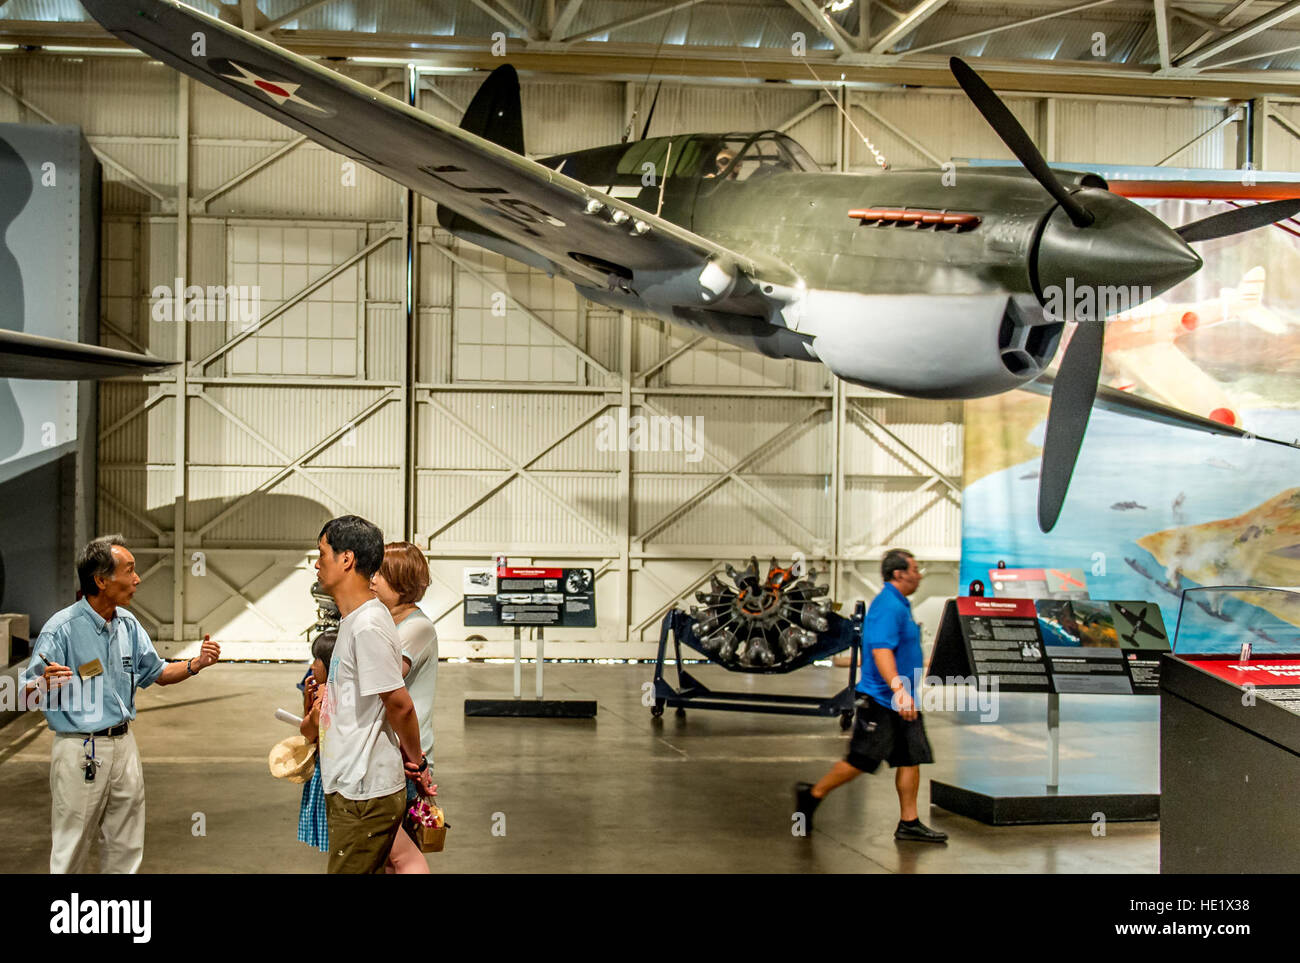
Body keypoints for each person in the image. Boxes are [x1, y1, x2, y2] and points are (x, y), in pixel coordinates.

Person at [19, 534, 221, 874]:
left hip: (124, 745)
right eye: (129, 571)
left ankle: (114, 916)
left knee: (127, 843)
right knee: (72, 846)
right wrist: (42, 684)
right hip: (80, 747)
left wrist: (195, 664)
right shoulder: (62, 629)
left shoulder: (128, 624)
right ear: (101, 580)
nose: (137, 579)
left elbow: (156, 672)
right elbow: (23, 695)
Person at [795, 549, 947, 843]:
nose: (919, 575)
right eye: (915, 569)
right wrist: (899, 691)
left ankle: (909, 822)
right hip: (882, 700)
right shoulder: (887, 606)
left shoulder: (900, 604)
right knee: (860, 762)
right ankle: (812, 795)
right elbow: (880, 652)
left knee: (910, 758)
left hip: (901, 701)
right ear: (899, 574)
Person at [313, 515, 434, 875]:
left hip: (364, 790)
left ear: (346, 559)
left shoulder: (367, 624)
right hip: (351, 783)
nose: (316, 564)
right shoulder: (354, 620)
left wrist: (419, 763)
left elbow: (399, 703)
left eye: (322, 553)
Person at [371, 541, 438, 875]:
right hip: (390, 749)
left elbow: (386, 679)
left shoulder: (416, 627)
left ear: (400, 581)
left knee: (400, 853)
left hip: (406, 754)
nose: (371, 581)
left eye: (378, 575)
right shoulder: (390, 622)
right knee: (386, 854)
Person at [296, 628, 336, 854]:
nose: (312, 667)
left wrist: (313, 709)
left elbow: (310, 733)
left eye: (317, 660)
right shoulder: (324, 693)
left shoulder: (327, 698)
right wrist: (308, 701)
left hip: (330, 774)